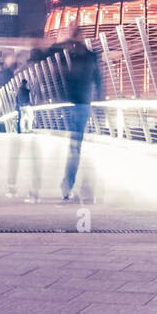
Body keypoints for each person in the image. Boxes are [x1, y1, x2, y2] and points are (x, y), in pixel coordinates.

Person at [54, 22, 102, 201]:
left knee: (74, 147)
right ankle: (76, 186)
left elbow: (61, 80)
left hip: (73, 105)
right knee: (77, 146)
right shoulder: (89, 56)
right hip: (83, 105)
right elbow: (99, 81)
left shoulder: (69, 55)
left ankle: (68, 185)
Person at [6, 51, 42, 201]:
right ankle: (32, 190)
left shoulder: (19, 87)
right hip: (26, 105)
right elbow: (32, 91)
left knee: (24, 120)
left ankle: (13, 187)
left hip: (21, 106)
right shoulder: (25, 89)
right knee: (30, 118)